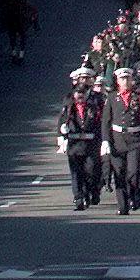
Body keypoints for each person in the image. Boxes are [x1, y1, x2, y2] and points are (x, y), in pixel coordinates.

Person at [102, 67, 140, 215]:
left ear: (131, 80)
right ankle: (122, 206)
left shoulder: (139, 97)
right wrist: (105, 141)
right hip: (117, 140)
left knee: (133, 172)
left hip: (134, 139)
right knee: (119, 172)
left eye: (127, 79)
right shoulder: (112, 97)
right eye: (122, 79)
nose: (125, 81)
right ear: (118, 81)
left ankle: (132, 195)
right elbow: (106, 121)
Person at [58, 68, 104, 211]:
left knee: (91, 170)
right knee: (76, 172)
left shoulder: (97, 98)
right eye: (81, 78)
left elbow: (102, 119)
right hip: (75, 142)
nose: (84, 81)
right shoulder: (69, 98)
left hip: (92, 142)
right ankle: (79, 198)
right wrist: (61, 134)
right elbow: (63, 117)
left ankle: (92, 191)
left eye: (87, 78)